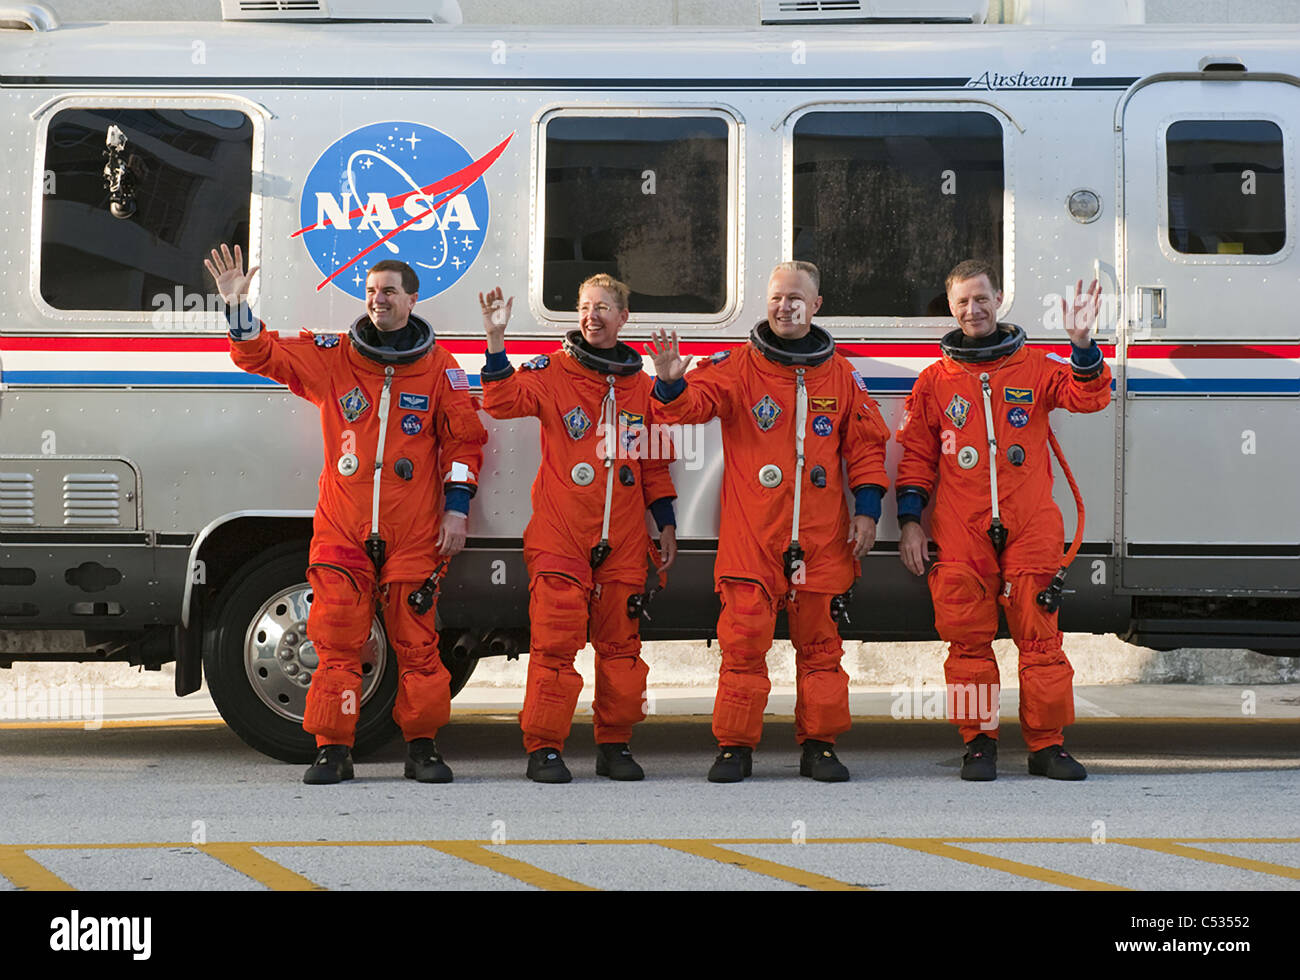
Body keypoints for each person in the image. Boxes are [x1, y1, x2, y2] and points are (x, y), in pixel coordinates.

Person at [206, 244, 487, 785]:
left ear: (412, 298)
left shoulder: (440, 368)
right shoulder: (335, 355)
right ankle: (333, 749)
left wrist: (457, 512)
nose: (377, 299)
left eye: (388, 291)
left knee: (418, 645)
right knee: (335, 641)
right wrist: (238, 309)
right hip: (343, 526)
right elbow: (262, 355)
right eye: (371, 290)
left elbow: (465, 445)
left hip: (414, 531)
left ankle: (423, 747)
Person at [648, 260, 890, 783]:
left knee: (821, 647)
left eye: (796, 298)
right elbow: (693, 406)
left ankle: (820, 746)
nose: (785, 306)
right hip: (754, 537)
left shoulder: (841, 374)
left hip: (822, 538)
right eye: (777, 297)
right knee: (743, 642)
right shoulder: (739, 366)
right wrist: (670, 384)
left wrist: (868, 511)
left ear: (816, 305)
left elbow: (867, 447)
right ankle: (735, 747)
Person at [895, 258, 1107, 781]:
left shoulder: (1034, 366)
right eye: (963, 301)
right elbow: (916, 456)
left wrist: (1082, 346)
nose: (974, 308)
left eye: (982, 298)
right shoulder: (935, 380)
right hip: (959, 527)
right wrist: (909, 522)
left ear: (999, 300)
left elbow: (1089, 396)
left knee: (1040, 637)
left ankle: (1047, 745)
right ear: (951, 307)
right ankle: (978, 743)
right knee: (967, 639)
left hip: (1030, 521)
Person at [478, 276, 678, 783]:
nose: (593, 315)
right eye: (586, 307)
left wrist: (667, 524)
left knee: (620, 648)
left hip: (626, 539)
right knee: (555, 643)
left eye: (604, 307)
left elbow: (654, 465)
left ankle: (615, 745)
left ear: (623, 317)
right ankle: (544, 748)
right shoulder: (552, 371)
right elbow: (502, 403)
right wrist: (497, 344)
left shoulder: (642, 386)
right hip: (562, 534)